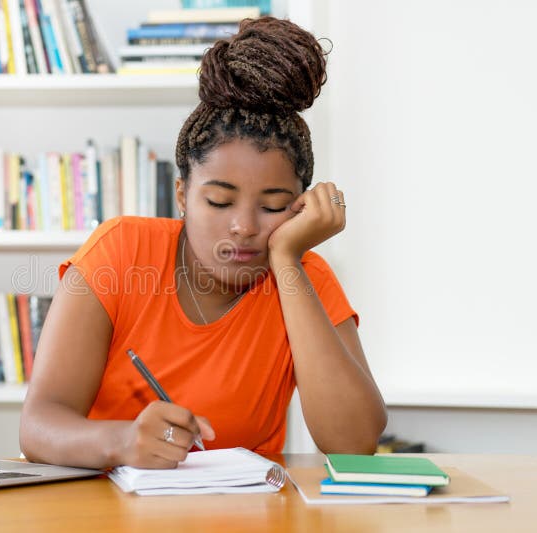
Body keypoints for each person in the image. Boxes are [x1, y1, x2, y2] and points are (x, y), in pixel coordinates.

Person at [19, 16, 387, 469]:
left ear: (300, 208)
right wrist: (123, 442)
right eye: (218, 201)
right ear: (182, 196)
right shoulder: (120, 250)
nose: (244, 226)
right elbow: (38, 425)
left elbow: (354, 443)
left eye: (273, 206)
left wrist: (288, 262)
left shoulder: (306, 279)